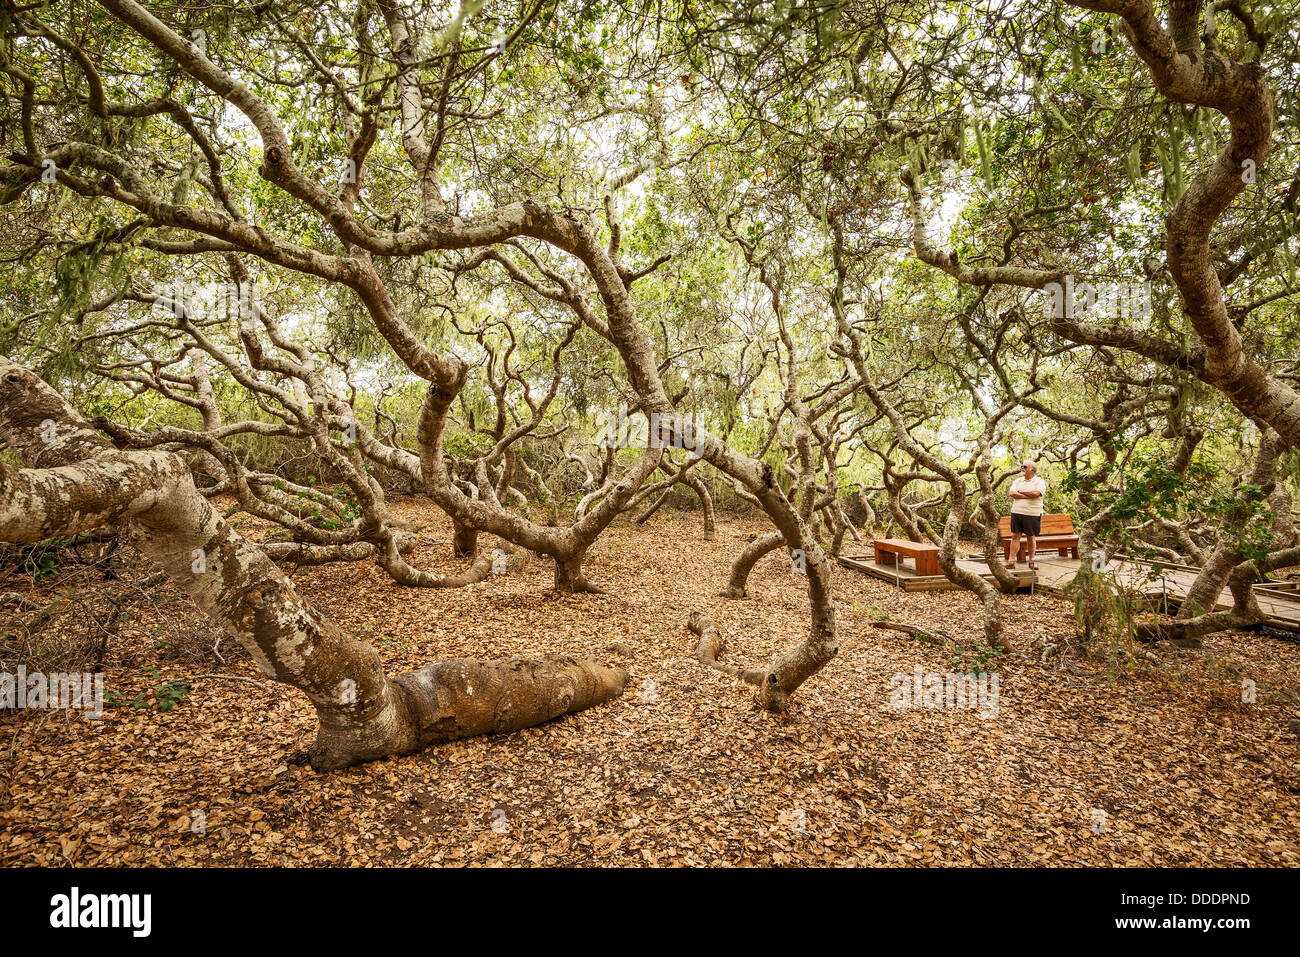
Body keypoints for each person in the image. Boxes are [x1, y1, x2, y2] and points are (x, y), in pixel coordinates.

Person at [1006, 460, 1047, 570]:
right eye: (1022, 466)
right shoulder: (1018, 481)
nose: (1022, 468)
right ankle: (1011, 561)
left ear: (1032, 469)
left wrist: (1021, 492)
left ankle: (1031, 561)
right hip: (1017, 511)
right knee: (1015, 536)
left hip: (1032, 513)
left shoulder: (1039, 481)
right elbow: (1012, 493)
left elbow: (1036, 493)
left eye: (1025, 466)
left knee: (1031, 537)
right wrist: (1028, 494)